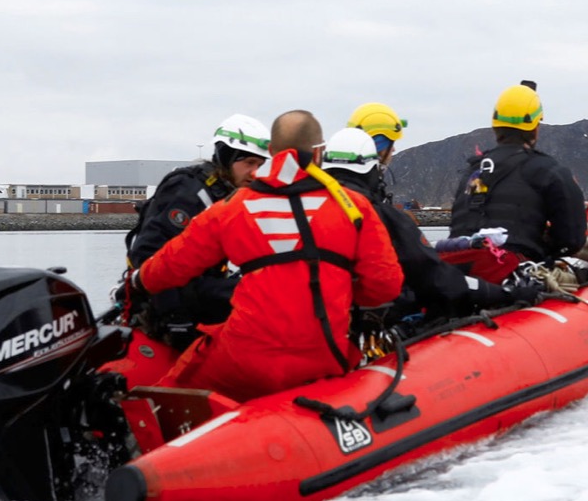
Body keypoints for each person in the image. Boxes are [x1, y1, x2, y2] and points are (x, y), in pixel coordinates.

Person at [133, 110, 404, 402]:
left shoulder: (232, 208)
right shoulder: (354, 207)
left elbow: (171, 264)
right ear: (319, 154)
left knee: (171, 393)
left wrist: (137, 282)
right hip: (325, 354)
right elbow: (385, 284)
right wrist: (340, 293)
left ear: (272, 152)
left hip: (244, 360)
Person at [323, 127, 536, 323]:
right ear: (372, 168)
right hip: (363, 330)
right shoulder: (383, 217)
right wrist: (503, 293)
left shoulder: (304, 208)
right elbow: (436, 276)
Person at [122, 114, 269, 349]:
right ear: (226, 157)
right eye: (248, 163)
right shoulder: (188, 192)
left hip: (198, 289)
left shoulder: (226, 195)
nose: (255, 173)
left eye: (260, 165)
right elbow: (150, 256)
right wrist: (177, 322)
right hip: (170, 301)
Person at [447, 81, 588, 264]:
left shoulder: (472, 172)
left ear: (496, 126)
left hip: (458, 273)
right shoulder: (549, 171)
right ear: (535, 127)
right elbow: (571, 240)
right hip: (513, 275)